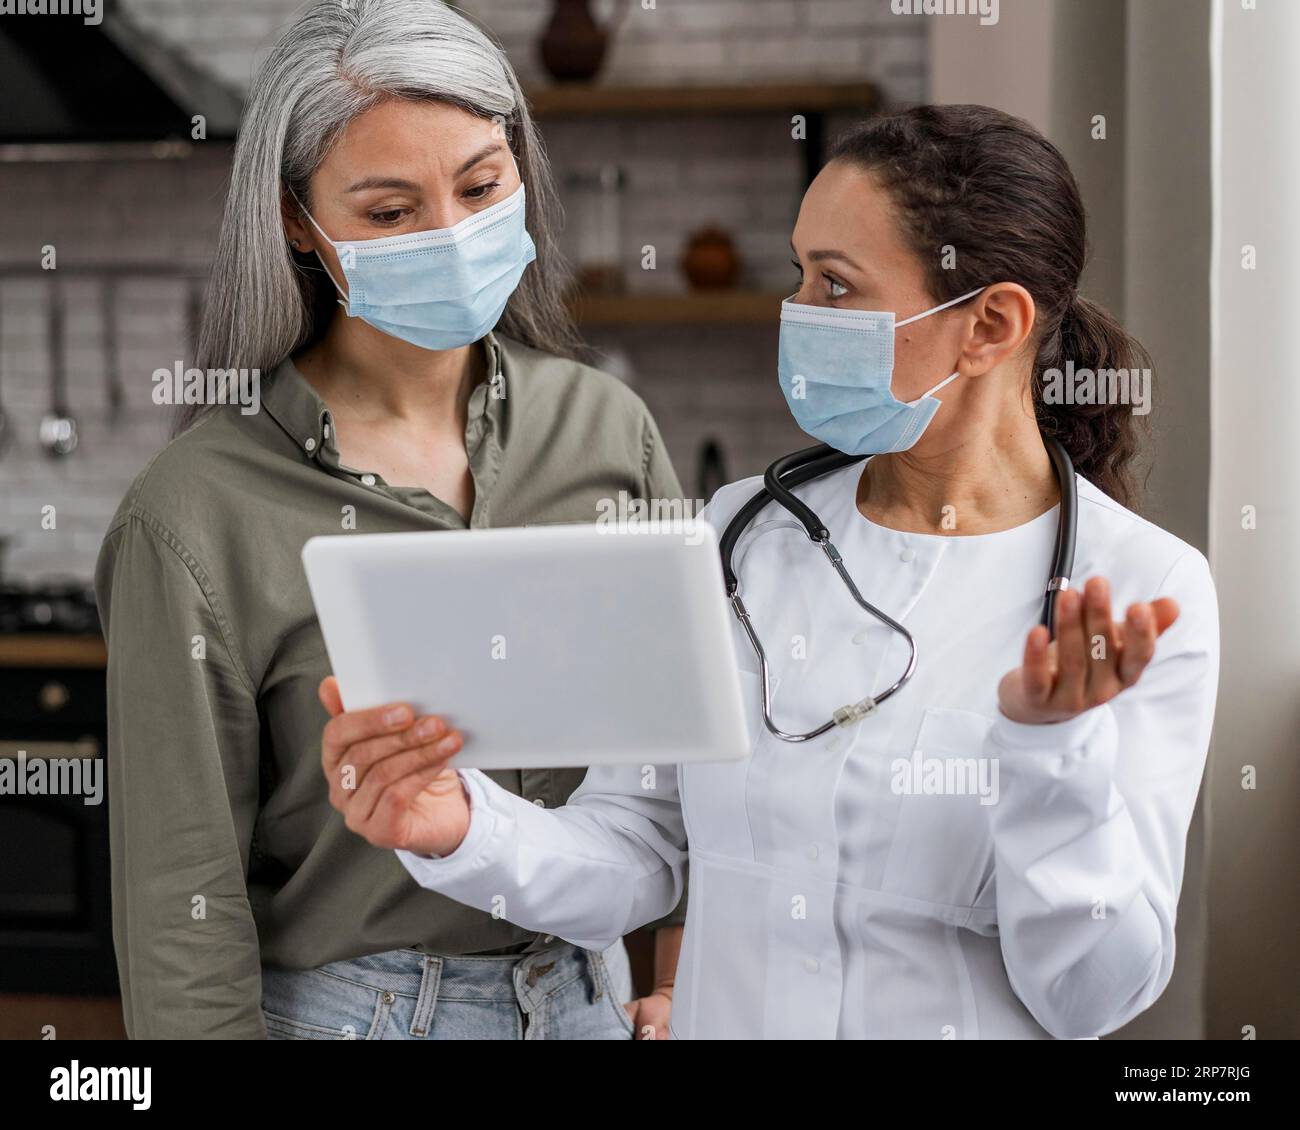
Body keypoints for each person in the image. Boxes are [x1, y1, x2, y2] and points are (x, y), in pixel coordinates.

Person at [320, 105, 1219, 1040]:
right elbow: (637, 847)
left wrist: (1051, 753)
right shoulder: (741, 534)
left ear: (988, 324)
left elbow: (1092, 996)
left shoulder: (1143, 592)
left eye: (835, 285)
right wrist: (460, 824)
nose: (796, 315)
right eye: (799, 273)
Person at [94, 0, 684, 1040]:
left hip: (590, 1004)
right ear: (295, 221)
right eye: (388, 211)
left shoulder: (607, 429)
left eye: (479, 186)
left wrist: (685, 983)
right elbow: (180, 903)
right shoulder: (190, 514)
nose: (452, 235)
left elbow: (696, 765)